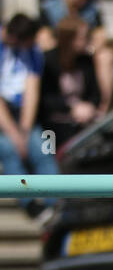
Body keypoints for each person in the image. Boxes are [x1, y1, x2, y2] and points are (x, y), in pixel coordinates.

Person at [0, 13, 59, 220]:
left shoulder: (32, 51)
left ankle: (57, 202)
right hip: (2, 118)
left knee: (42, 147)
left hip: (21, 114)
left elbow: (32, 89)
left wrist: (24, 129)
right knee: (8, 150)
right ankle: (31, 205)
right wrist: (15, 135)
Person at [37, 0, 113, 109]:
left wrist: (87, 49)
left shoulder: (92, 8)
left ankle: (103, 108)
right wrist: (68, 48)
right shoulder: (49, 8)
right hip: (60, 55)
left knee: (105, 56)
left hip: (84, 55)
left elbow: (101, 36)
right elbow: (44, 38)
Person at [38, 16, 102, 150]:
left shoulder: (86, 61)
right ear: (69, 39)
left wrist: (89, 107)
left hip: (83, 121)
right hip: (53, 124)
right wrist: (72, 108)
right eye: (83, 37)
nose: (88, 41)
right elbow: (46, 99)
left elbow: (95, 94)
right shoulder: (48, 61)